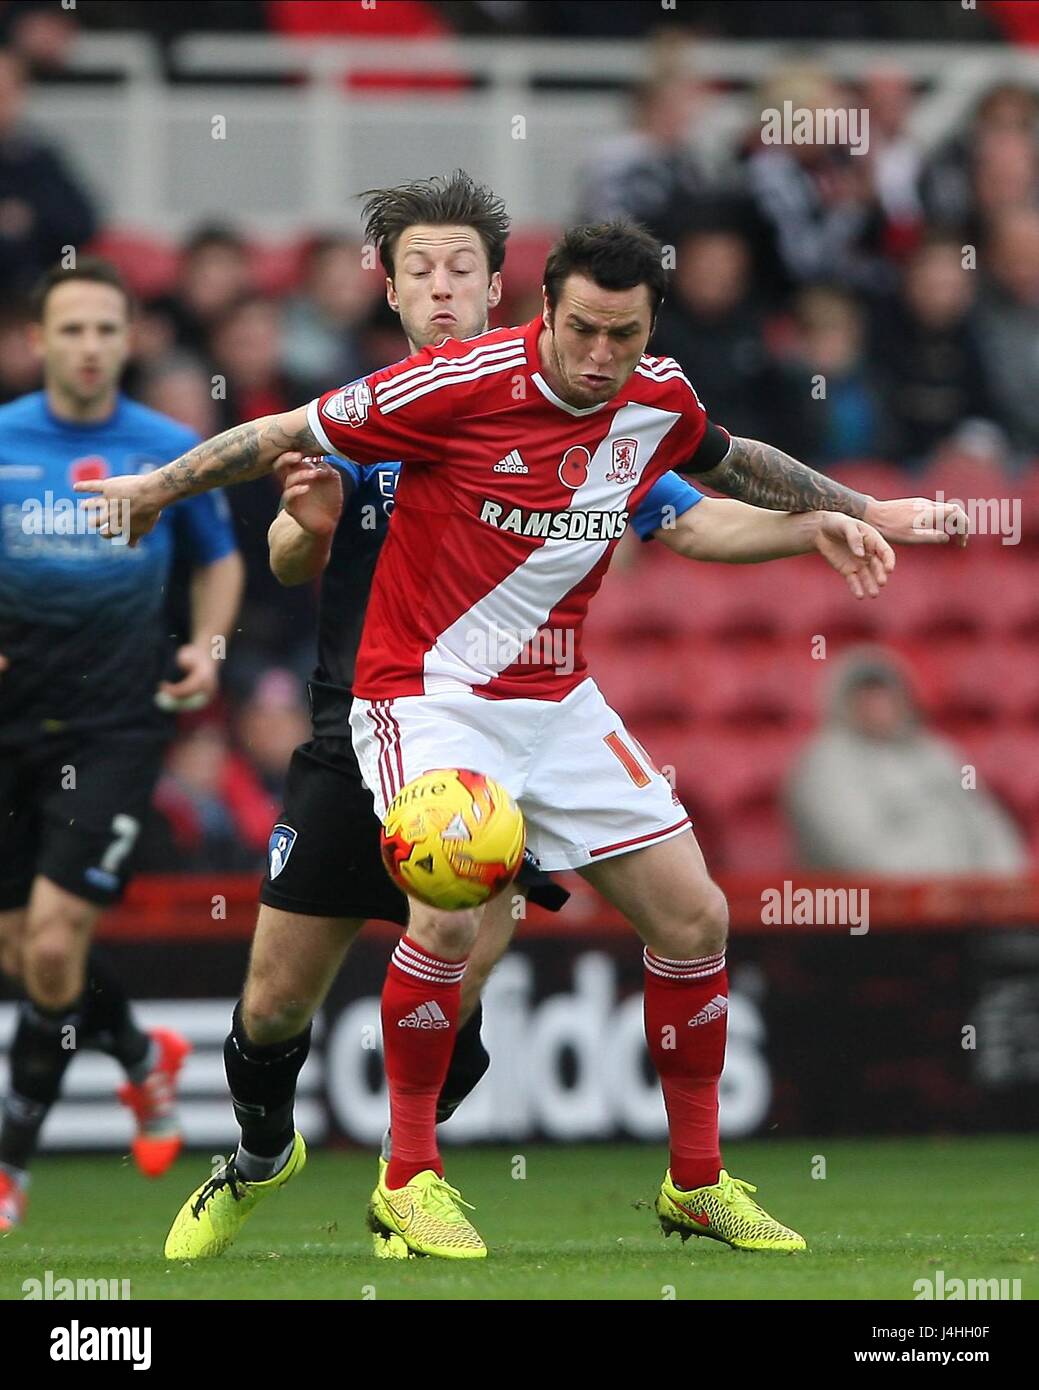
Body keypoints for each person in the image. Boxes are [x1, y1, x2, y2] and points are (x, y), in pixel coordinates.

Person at [77, 209, 968, 1261]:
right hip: (424, 693)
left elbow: (721, 473)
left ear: (648, 330)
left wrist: (838, 513)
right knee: (406, 937)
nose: (599, 357)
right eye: (582, 330)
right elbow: (278, 437)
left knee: (694, 917)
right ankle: (401, 1178)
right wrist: (151, 487)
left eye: (622, 337)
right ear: (541, 311)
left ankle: (696, 1182)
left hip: (557, 703)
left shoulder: (654, 398)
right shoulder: (446, 389)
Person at [0, 258, 243, 1231]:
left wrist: (210, 649)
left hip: (115, 725)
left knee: (55, 939)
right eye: (72, 330)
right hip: (12, 726)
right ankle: (143, 1055)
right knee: (26, 953)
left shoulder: (170, 449)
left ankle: (9, 1167)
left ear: (129, 338)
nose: (90, 346)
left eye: (107, 329)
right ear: (39, 341)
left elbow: (219, 561)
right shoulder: (4, 442)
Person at [786, 649, 1028, 875]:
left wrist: (1004, 886)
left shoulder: (937, 752)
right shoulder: (825, 764)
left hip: (967, 903)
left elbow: (983, 818)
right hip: (877, 911)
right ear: (843, 702)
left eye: (884, 695)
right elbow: (856, 854)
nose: (878, 706)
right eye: (866, 697)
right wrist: (940, 888)